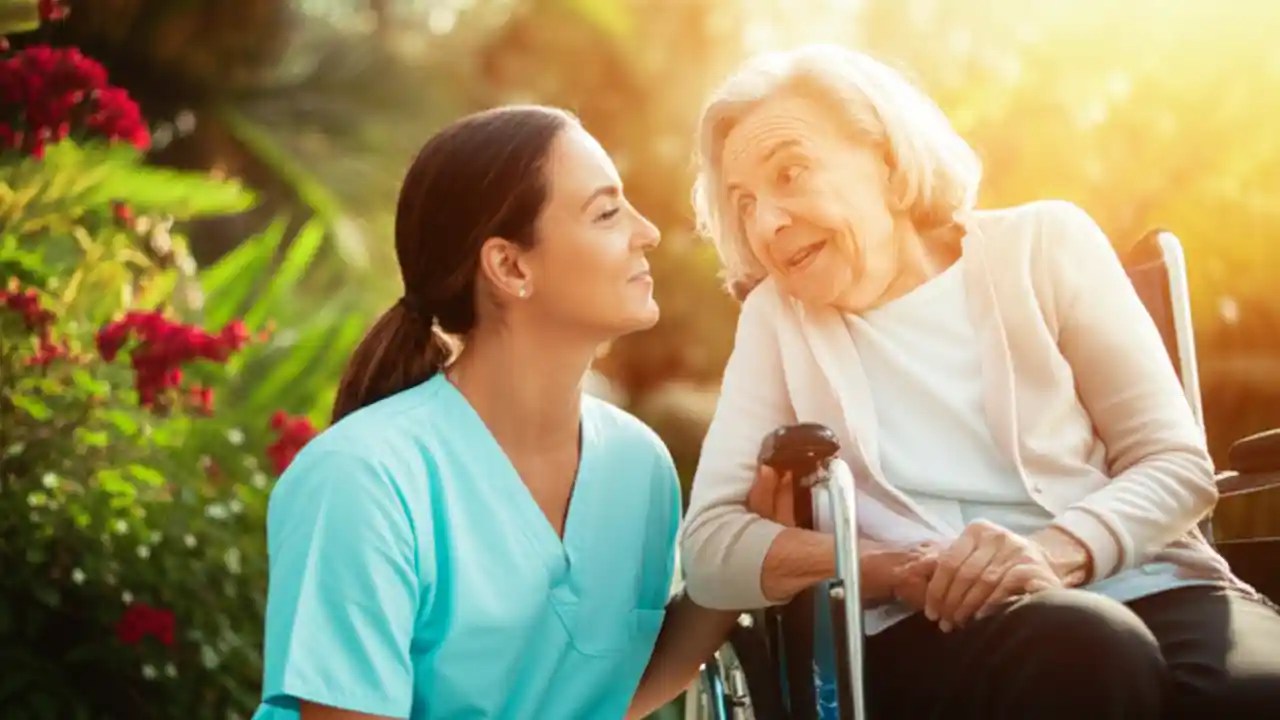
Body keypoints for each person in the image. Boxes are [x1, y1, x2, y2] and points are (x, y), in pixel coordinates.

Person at [681, 44, 1280, 719]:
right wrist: (898, 568)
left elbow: (1175, 465)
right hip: (937, 626)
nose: (766, 222)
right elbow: (710, 546)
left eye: (789, 174)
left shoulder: (1045, 243)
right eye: (745, 205)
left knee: (1257, 693)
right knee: (1084, 652)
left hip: (1147, 579)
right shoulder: (776, 321)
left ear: (886, 159)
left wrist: (1054, 555)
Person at [251, 105, 731, 720]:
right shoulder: (364, 478)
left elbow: (601, 693)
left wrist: (743, 569)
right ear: (510, 267)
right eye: (606, 212)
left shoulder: (639, 467)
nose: (648, 232)